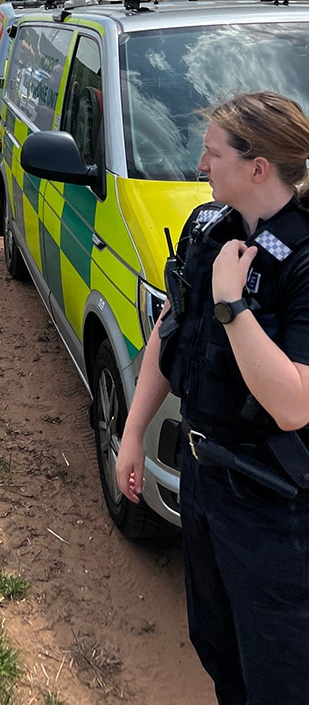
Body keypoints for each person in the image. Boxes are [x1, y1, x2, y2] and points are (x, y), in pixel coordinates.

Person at [116, 92, 309, 705]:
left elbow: (294, 405)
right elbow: (171, 328)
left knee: (279, 675)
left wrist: (232, 305)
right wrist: (132, 431)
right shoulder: (209, 229)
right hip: (203, 480)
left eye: (213, 153)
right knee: (217, 644)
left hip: (272, 507)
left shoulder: (304, 259)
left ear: (258, 167)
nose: (200, 165)